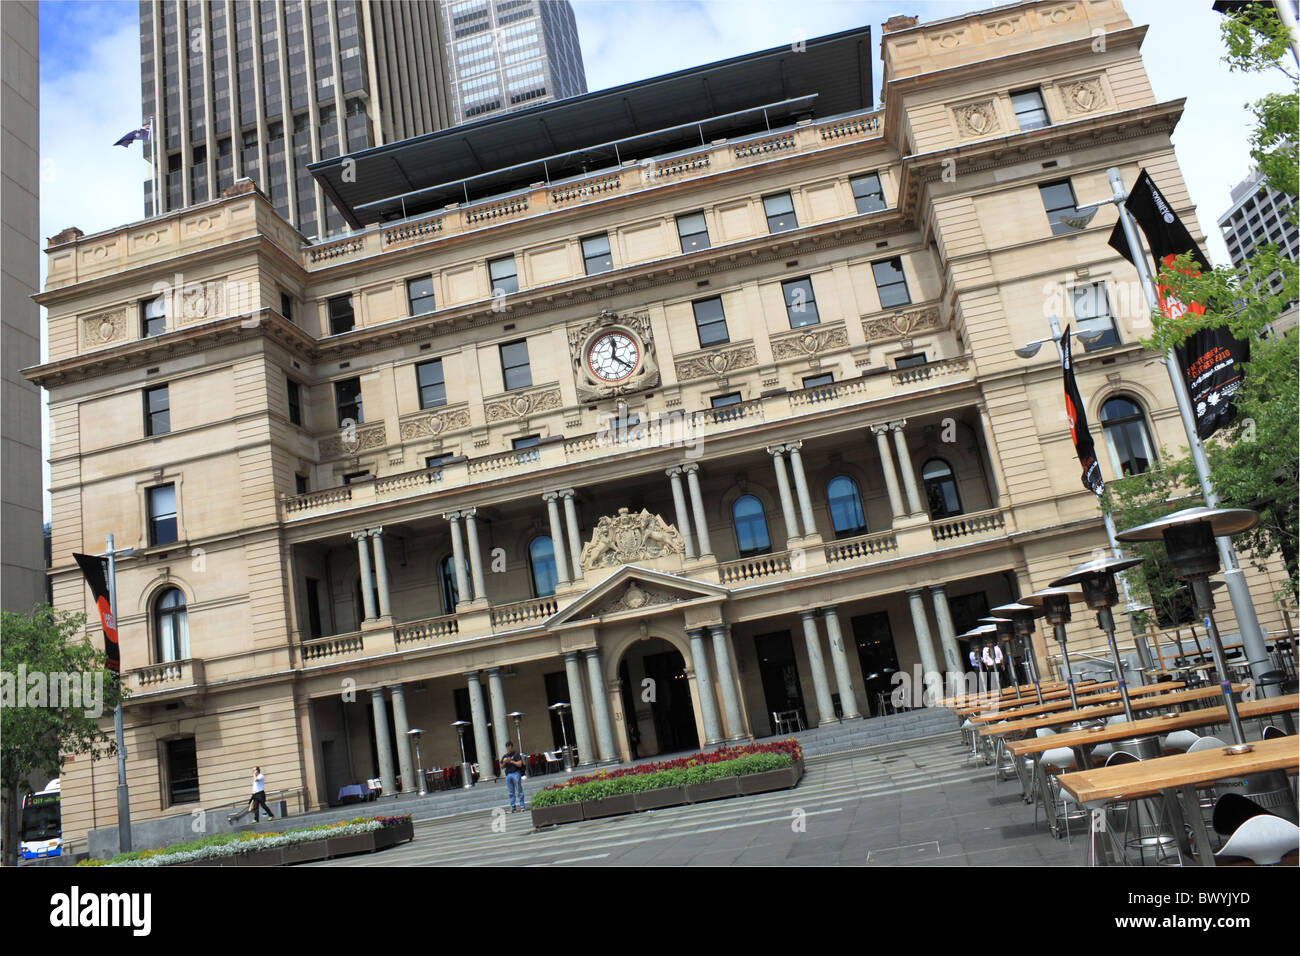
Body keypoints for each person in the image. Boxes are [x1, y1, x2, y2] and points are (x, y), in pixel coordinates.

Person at [501, 745, 526, 812]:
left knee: (519, 790)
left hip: (516, 773)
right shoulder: (505, 756)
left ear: (512, 747)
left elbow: (520, 764)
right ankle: (513, 807)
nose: (508, 749)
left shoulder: (516, 754)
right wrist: (504, 762)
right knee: (511, 792)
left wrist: (511, 761)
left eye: (509, 747)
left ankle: (522, 806)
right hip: (508, 775)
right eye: (507, 748)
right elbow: (501, 767)